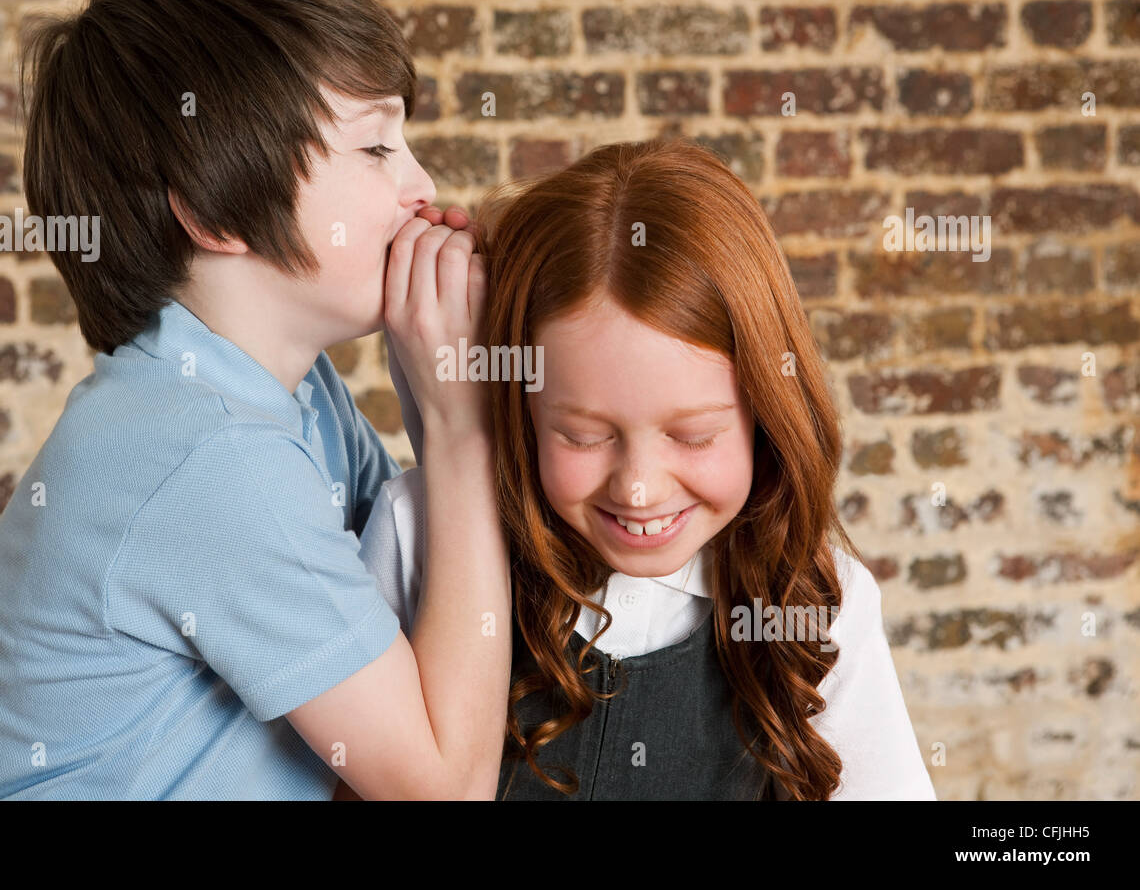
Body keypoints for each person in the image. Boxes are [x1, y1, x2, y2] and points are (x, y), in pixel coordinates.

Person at [0, 0, 510, 800]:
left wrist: (436, 389)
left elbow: (414, 594)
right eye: (375, 147)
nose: (420, 185)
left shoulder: (288, 395)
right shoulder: (208, 454)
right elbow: (444, 786)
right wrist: (462, 429)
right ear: (214, 208)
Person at [359, 137, 938, 800]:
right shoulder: (417, 532)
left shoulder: (818, 599)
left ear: (765, 413)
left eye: (693, 437)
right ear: (521, 409)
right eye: (581, 436)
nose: (638, 489)